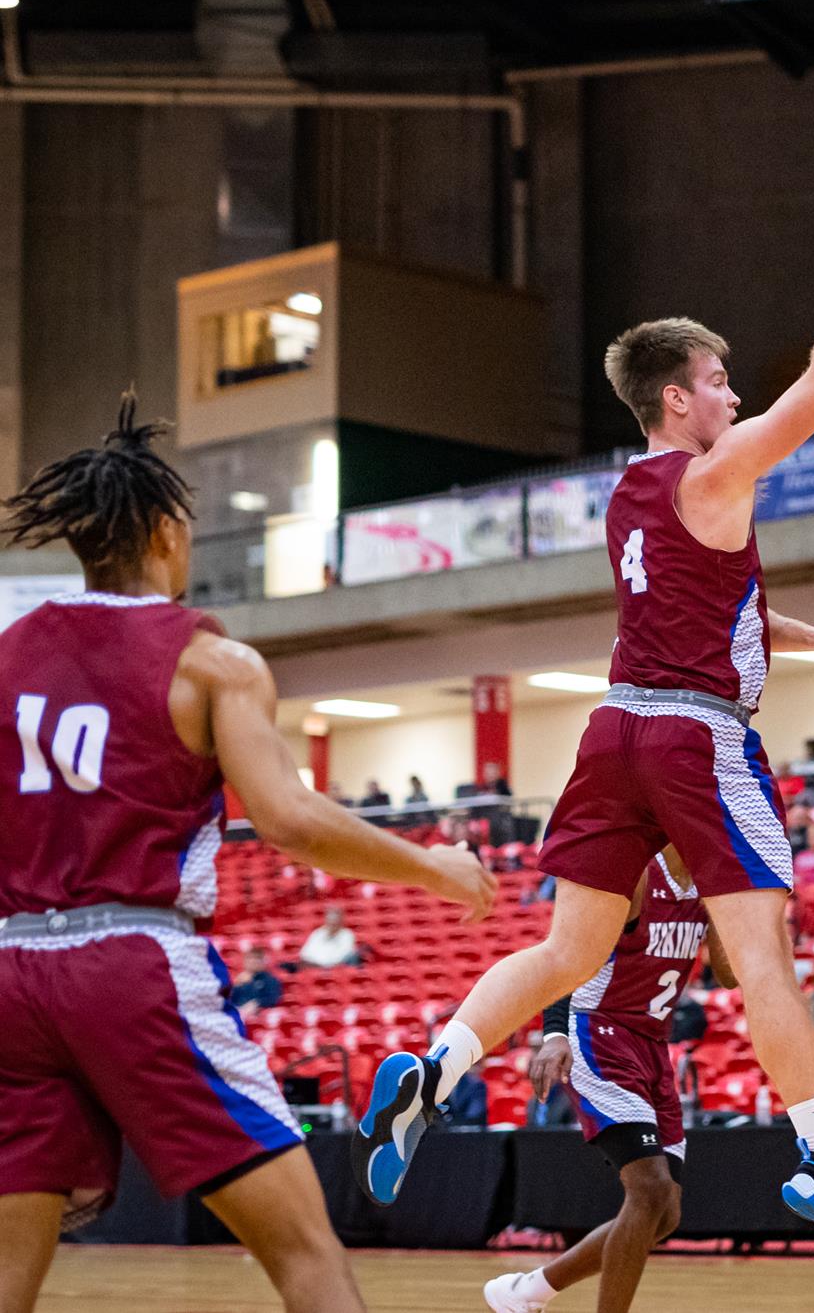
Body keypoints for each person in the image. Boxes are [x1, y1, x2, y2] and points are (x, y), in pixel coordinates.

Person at [356, 187, 814, 1257]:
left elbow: (703, 613)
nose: (734, 393)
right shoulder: (717, 469)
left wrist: (807, 636)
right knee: (762, 956)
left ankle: (440, 1066)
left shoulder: (630, 493)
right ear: (674, 398)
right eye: (717, 380)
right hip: (696, 739)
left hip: (614, 729)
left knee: (568, 950)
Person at [0, 398, 494, 1313]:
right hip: (130, 960)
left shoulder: (7, 653)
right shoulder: (208, 661)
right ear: (162, 531)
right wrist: (434, 865)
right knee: (308, 1255)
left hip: (12, 970)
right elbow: (288, 820)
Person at [489, 851, 724, 1313]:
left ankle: (527, 1290)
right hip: (599, 1031)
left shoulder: (708, 883)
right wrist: (554, 1034)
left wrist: (729, 905)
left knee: (665, 1213)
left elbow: (731, 975)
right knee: (650, 1189)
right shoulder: (636, 872)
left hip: (654, 1045)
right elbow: (566, 958)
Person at [231, 945, 284, 1017]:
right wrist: (236, 985)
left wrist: (256, 1003)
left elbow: (273, 998)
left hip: (260, 1014)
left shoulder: (270, 980)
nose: (253, 961)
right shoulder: (239, 980)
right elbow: (231, 999)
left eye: (257, 959)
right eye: (250, 958)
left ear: (263, 962)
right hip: (239, 1012)